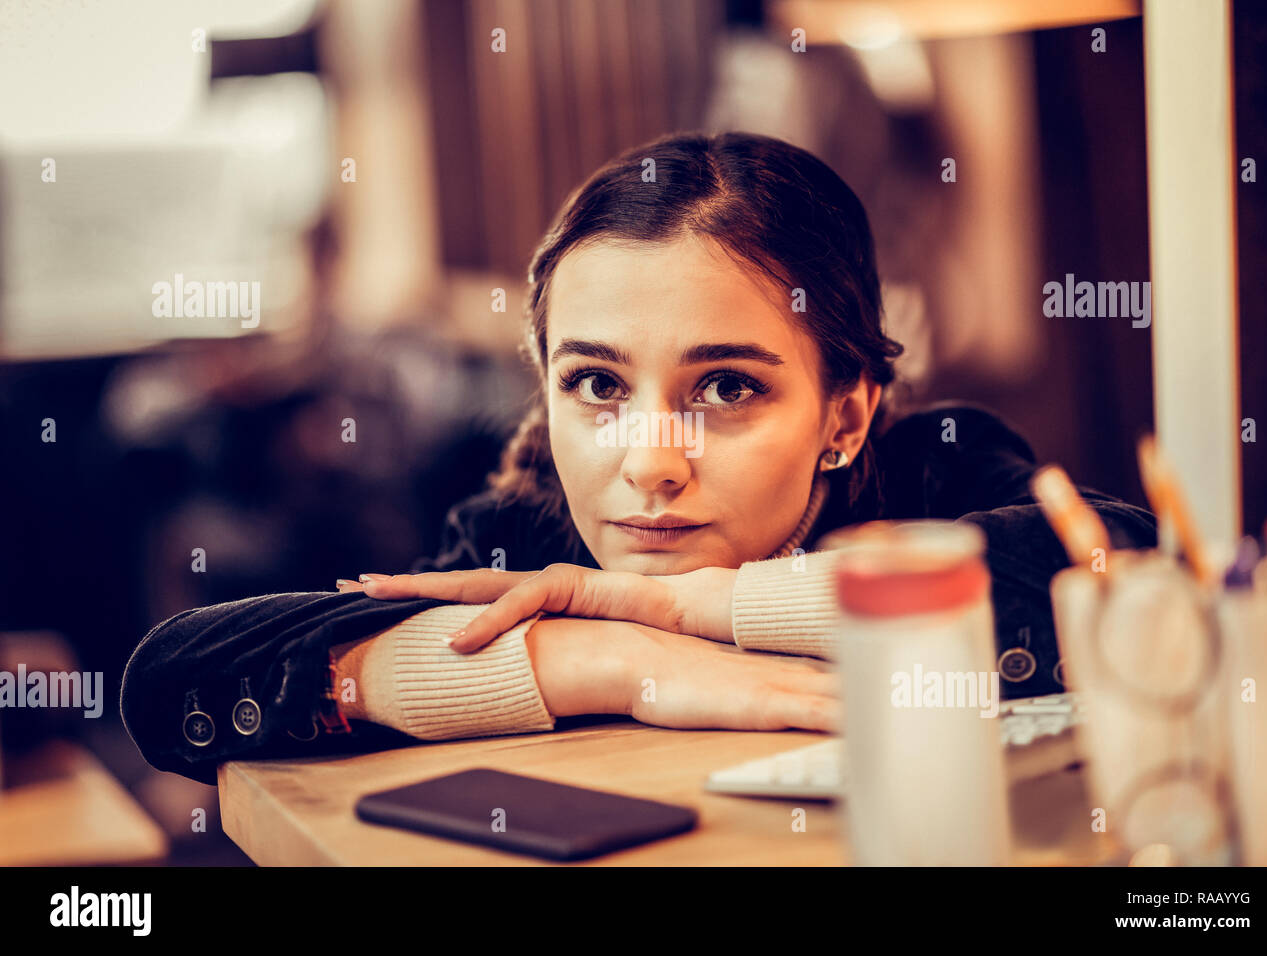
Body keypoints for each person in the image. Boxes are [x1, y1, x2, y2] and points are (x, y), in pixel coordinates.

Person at [121, 131, 1156, 785]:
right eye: (598, 385)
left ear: (844, 413)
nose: (649, 463)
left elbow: (1128, 566)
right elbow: (173, 683)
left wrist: (690, 607)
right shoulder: (520, 532)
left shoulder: (936, 466)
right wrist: (616, 659)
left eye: (727, 387)